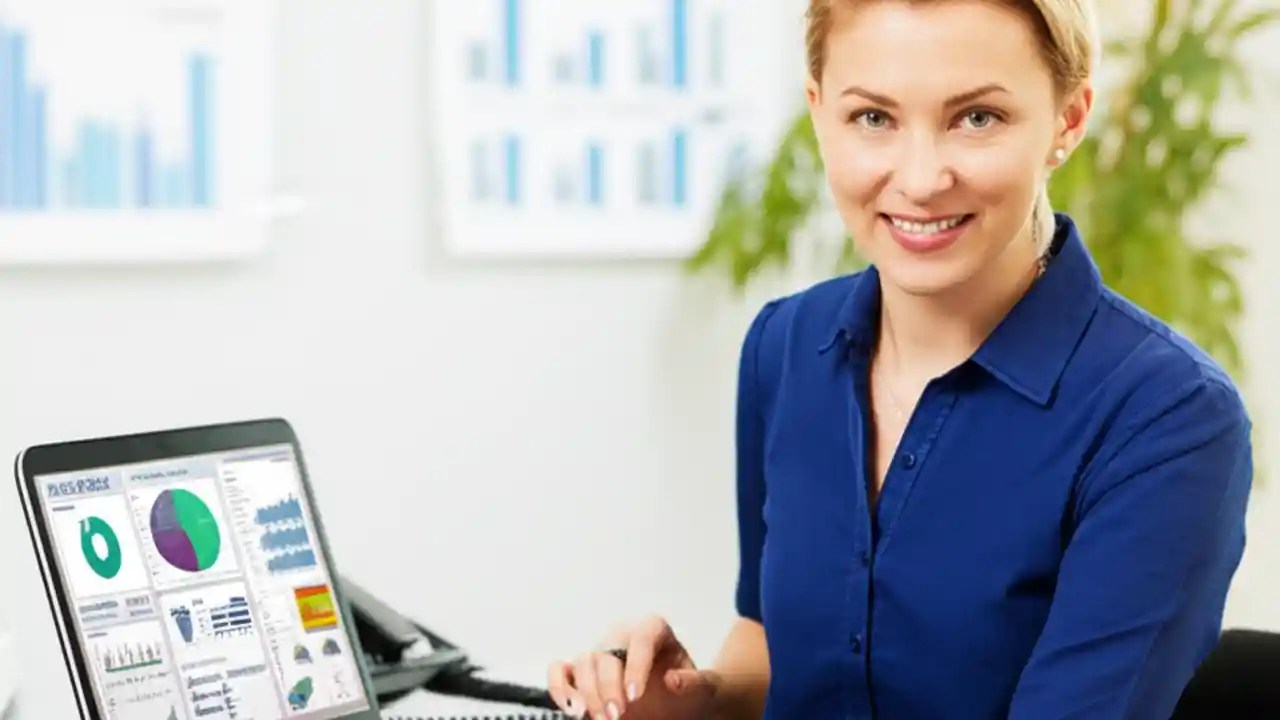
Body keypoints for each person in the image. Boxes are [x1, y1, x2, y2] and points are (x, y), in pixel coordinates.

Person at [546, 0, 1254, 717]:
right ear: (820, 114)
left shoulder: (1167, 416)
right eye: (874, 118)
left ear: (1067, 120)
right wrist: (681, 705)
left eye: (977, 117)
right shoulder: (784, 347)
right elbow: (767, 652)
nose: (919, 179)